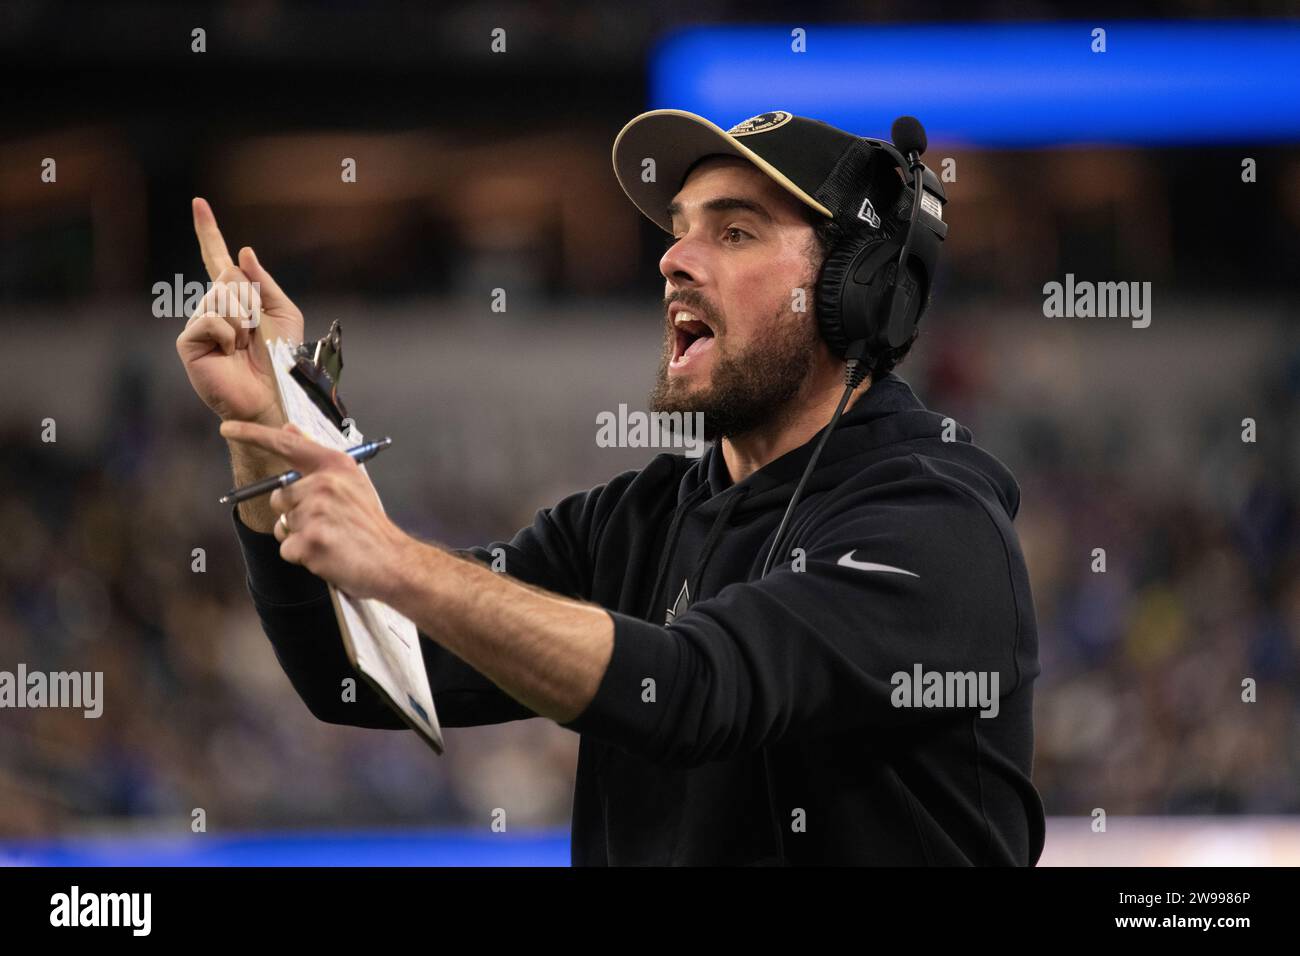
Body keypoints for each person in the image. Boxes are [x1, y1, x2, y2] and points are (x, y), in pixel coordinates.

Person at [176, 109, 1045, 866]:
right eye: (680, 228)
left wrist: (396, 559)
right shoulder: (630, 523)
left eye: (734, 232)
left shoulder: (938, 522)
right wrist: (273, 432)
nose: (674, 259)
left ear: (860, 292)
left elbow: (696, 690)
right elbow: (351, 676)